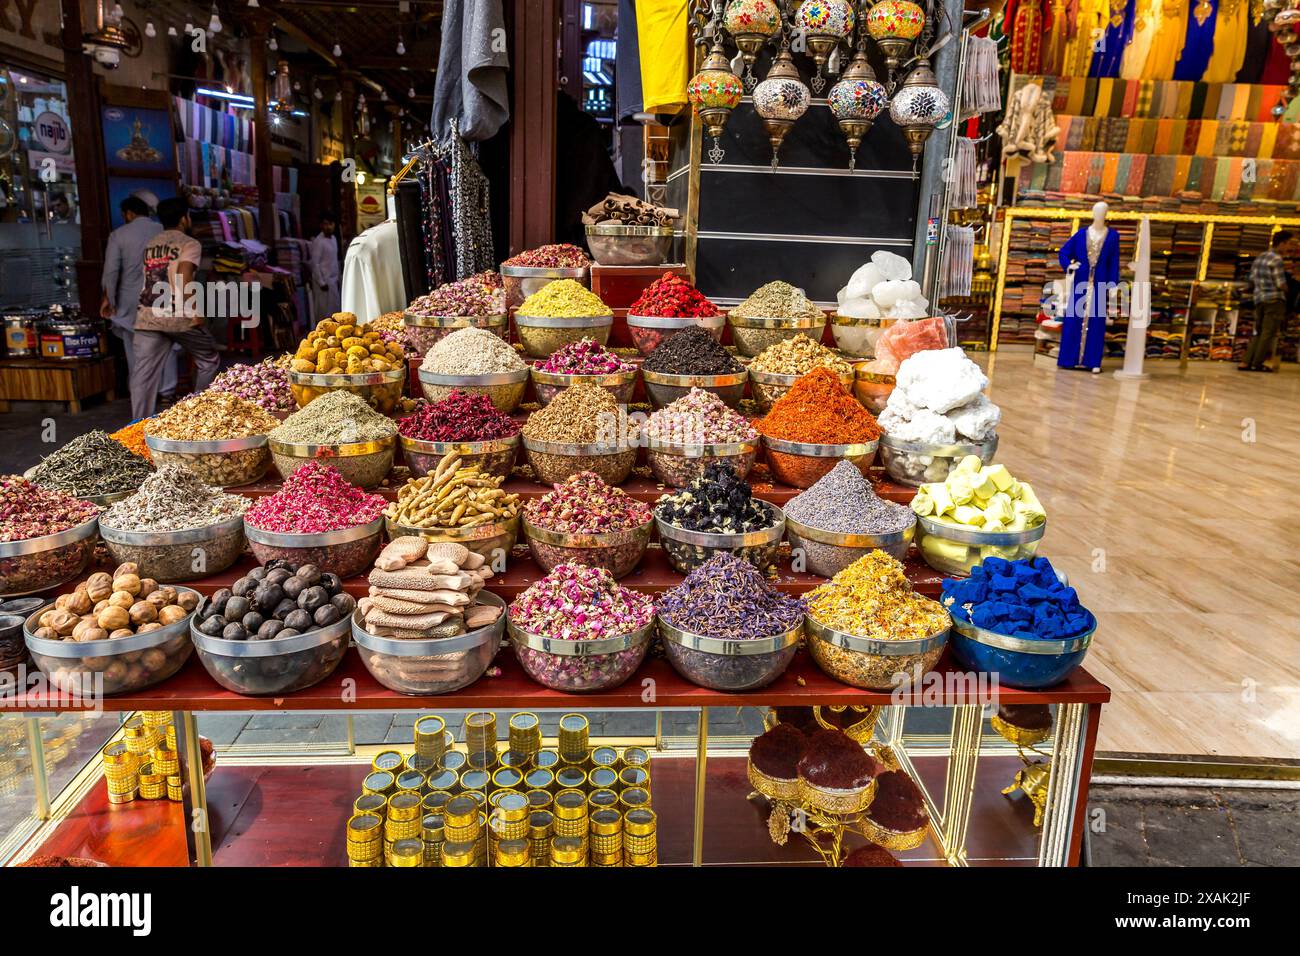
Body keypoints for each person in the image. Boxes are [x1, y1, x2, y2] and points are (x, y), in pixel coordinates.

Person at [130, 197, 220, 420]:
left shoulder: (151, 244)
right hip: (176, 315)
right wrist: (194, 311)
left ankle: (136, 425)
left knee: (143, 374)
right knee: (208, 359)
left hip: (147, 315)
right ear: (183, 219)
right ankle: (198, 412)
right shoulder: (189, 243)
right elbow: (183, 275)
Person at [102, 196, 180, 403]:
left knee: (134, 347)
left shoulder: (118, 235)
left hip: (130, 300)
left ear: (129, 213)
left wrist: (108, 298)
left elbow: (111, 271)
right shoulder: (163, 229)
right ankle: (167, 390)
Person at [1241, 230, 1293, 372]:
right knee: (1268, 333)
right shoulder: (1276, 259)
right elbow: (1280, 283)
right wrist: (1289, 290)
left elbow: (1250, 281)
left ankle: (1245, 362)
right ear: (1282, 243)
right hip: (1274, 300)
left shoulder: (1260, 257)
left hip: (1259, 300)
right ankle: (1257, 364)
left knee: (1258, 331)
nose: (1290, 247)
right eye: (1289, 243)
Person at [308, 215, 341, 318]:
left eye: (330, 224)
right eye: (326, 224)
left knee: (335, 311)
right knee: (323, 313)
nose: (328, 227)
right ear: (321, 225)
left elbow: (334, 260)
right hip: (323, 283)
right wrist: (321, 282)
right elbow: (315, 263)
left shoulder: (334, 239)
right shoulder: (318, 241)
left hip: (333, 281)